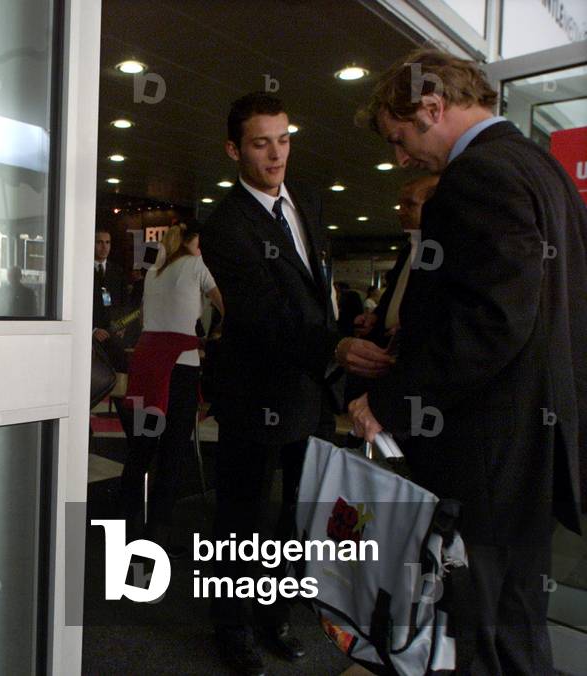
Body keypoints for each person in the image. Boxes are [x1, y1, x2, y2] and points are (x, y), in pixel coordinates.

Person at [349, 47, 585, 675]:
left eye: (402, 138)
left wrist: (390, 401)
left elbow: (492, 320)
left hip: (485, 457)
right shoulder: (544, 169)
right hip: (530, 451)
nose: (401, 159)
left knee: (483, 634)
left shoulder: (477, 175)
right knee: (515, 626)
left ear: (433, 105)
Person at [200, 91, 392, 675]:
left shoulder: (306, 199)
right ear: (235, 149)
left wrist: (345, 327)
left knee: (297, 517)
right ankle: (231, 628)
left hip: (308, 391)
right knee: (241, 519)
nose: (277, 153)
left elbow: (313, 288)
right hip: (255, 391)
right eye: (262, 143)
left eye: (284, 139)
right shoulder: (225, 225)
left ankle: (273, 615)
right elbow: (261, 315)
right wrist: (333, 344)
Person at [120, 222, 223, 554]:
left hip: (147, 367)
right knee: (172, 452)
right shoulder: (195, 265)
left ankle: (127, 522)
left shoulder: (153, 271)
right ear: (192, 242)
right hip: (180, 369)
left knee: (141, 447)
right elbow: (226, 306)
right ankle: (157, 531)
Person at [356, 175, 439, 345]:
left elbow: (428, 299)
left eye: (410, 205)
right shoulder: (409, 248)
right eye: (400, 204)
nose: (400, 211)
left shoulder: (434, 248)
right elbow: (394, 296)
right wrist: (375, 317)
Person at [92, 227, 128, 370]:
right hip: (90, 337)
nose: (104, 247)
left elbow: (124, 302)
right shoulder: (83, 269)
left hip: (113, 333)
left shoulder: (117, 271)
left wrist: (122, 324)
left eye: (107, 242)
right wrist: (93, 330)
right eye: (99, 242)